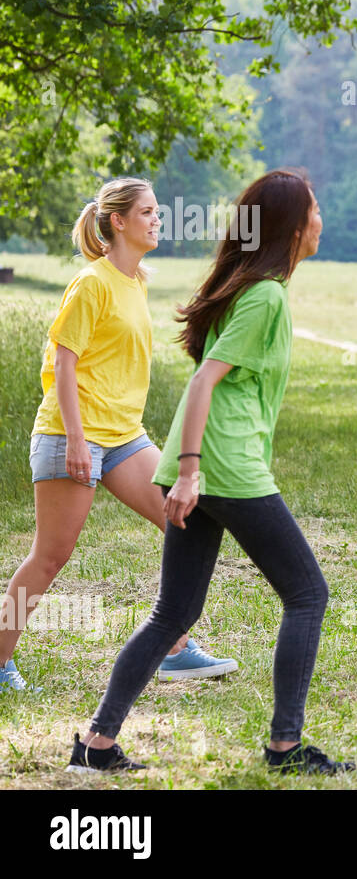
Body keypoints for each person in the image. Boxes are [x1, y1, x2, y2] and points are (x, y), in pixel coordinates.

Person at [68, 169, 352, 775]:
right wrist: (192, 472)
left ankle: (96, 744)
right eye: (314, 209)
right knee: (308, 594)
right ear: (292, 227)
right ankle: (285, 747)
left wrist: (184, 469)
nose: (321, 220)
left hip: (198, 463)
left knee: (172, 613)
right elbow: (203, 382)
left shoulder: (248, 286)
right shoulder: (265, 295)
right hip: (222, 466)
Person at [0, 178, 235, 693]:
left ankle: (174, 647)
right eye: (147, 212)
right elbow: (64, 363)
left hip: (124, 436)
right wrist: (77, 439)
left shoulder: (135, 281)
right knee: (50, 556)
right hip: (72, 434)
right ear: (118, 221)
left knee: (183, 519)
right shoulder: (92, 283)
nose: (157, 220)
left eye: (158, 211)